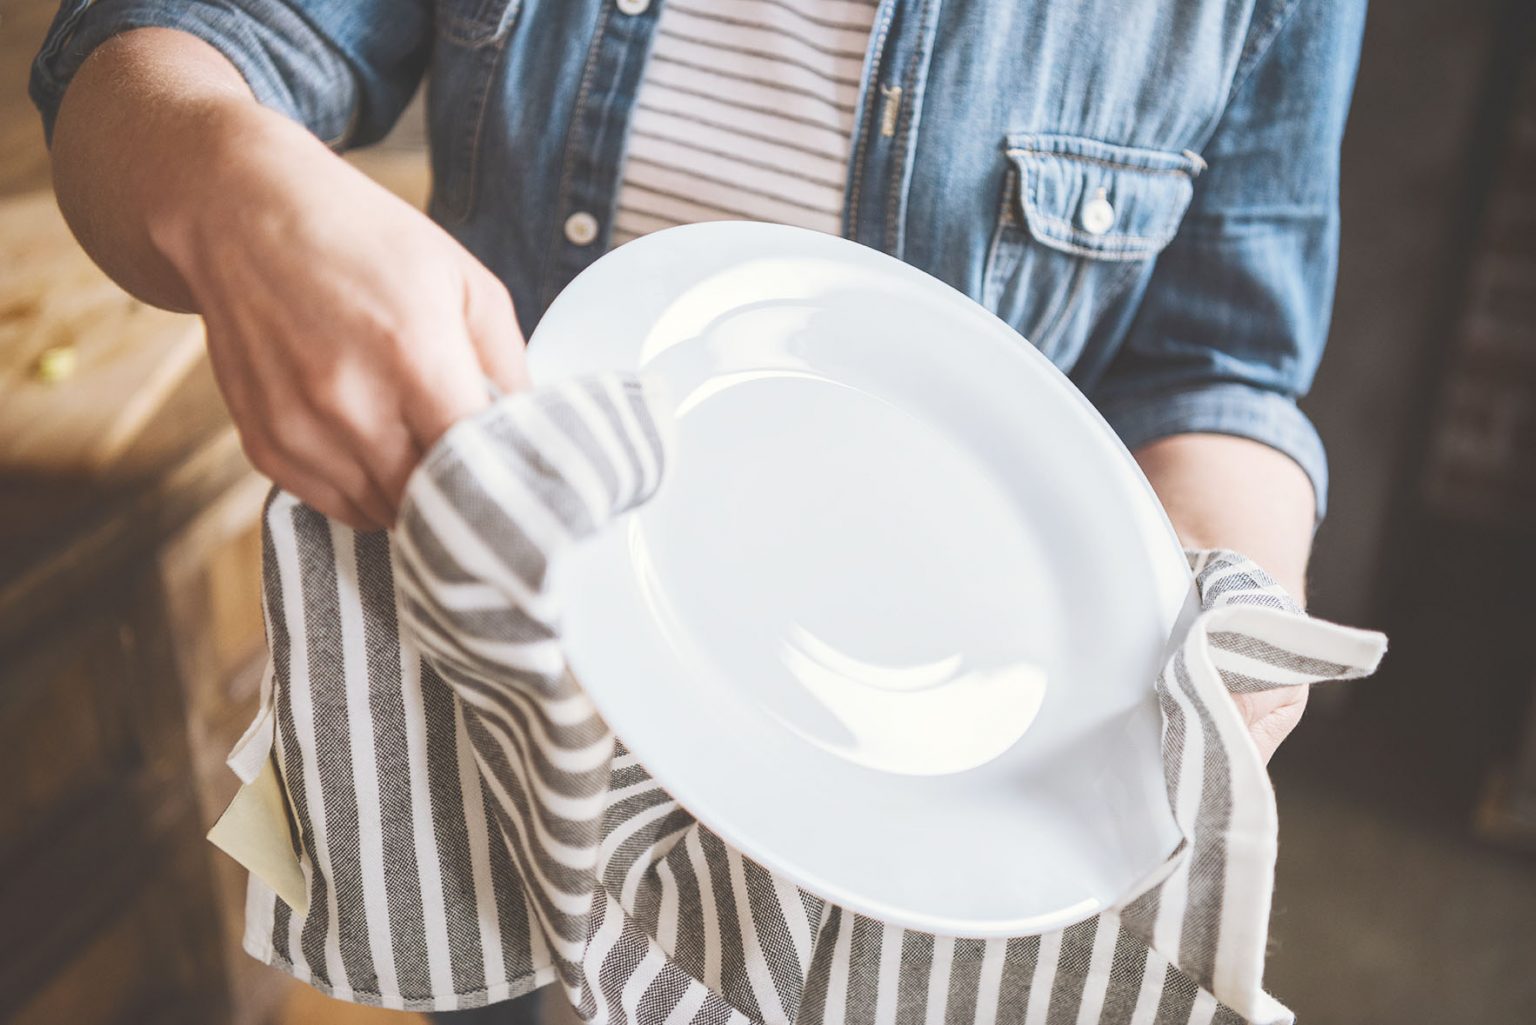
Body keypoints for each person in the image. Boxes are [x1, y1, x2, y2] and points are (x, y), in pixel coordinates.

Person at [31, 1, 1365, 1021]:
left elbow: (1218, 368)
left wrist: (1227, 622)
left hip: (927, 836)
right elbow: (145, 58)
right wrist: (234, 191)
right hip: (499, 751)